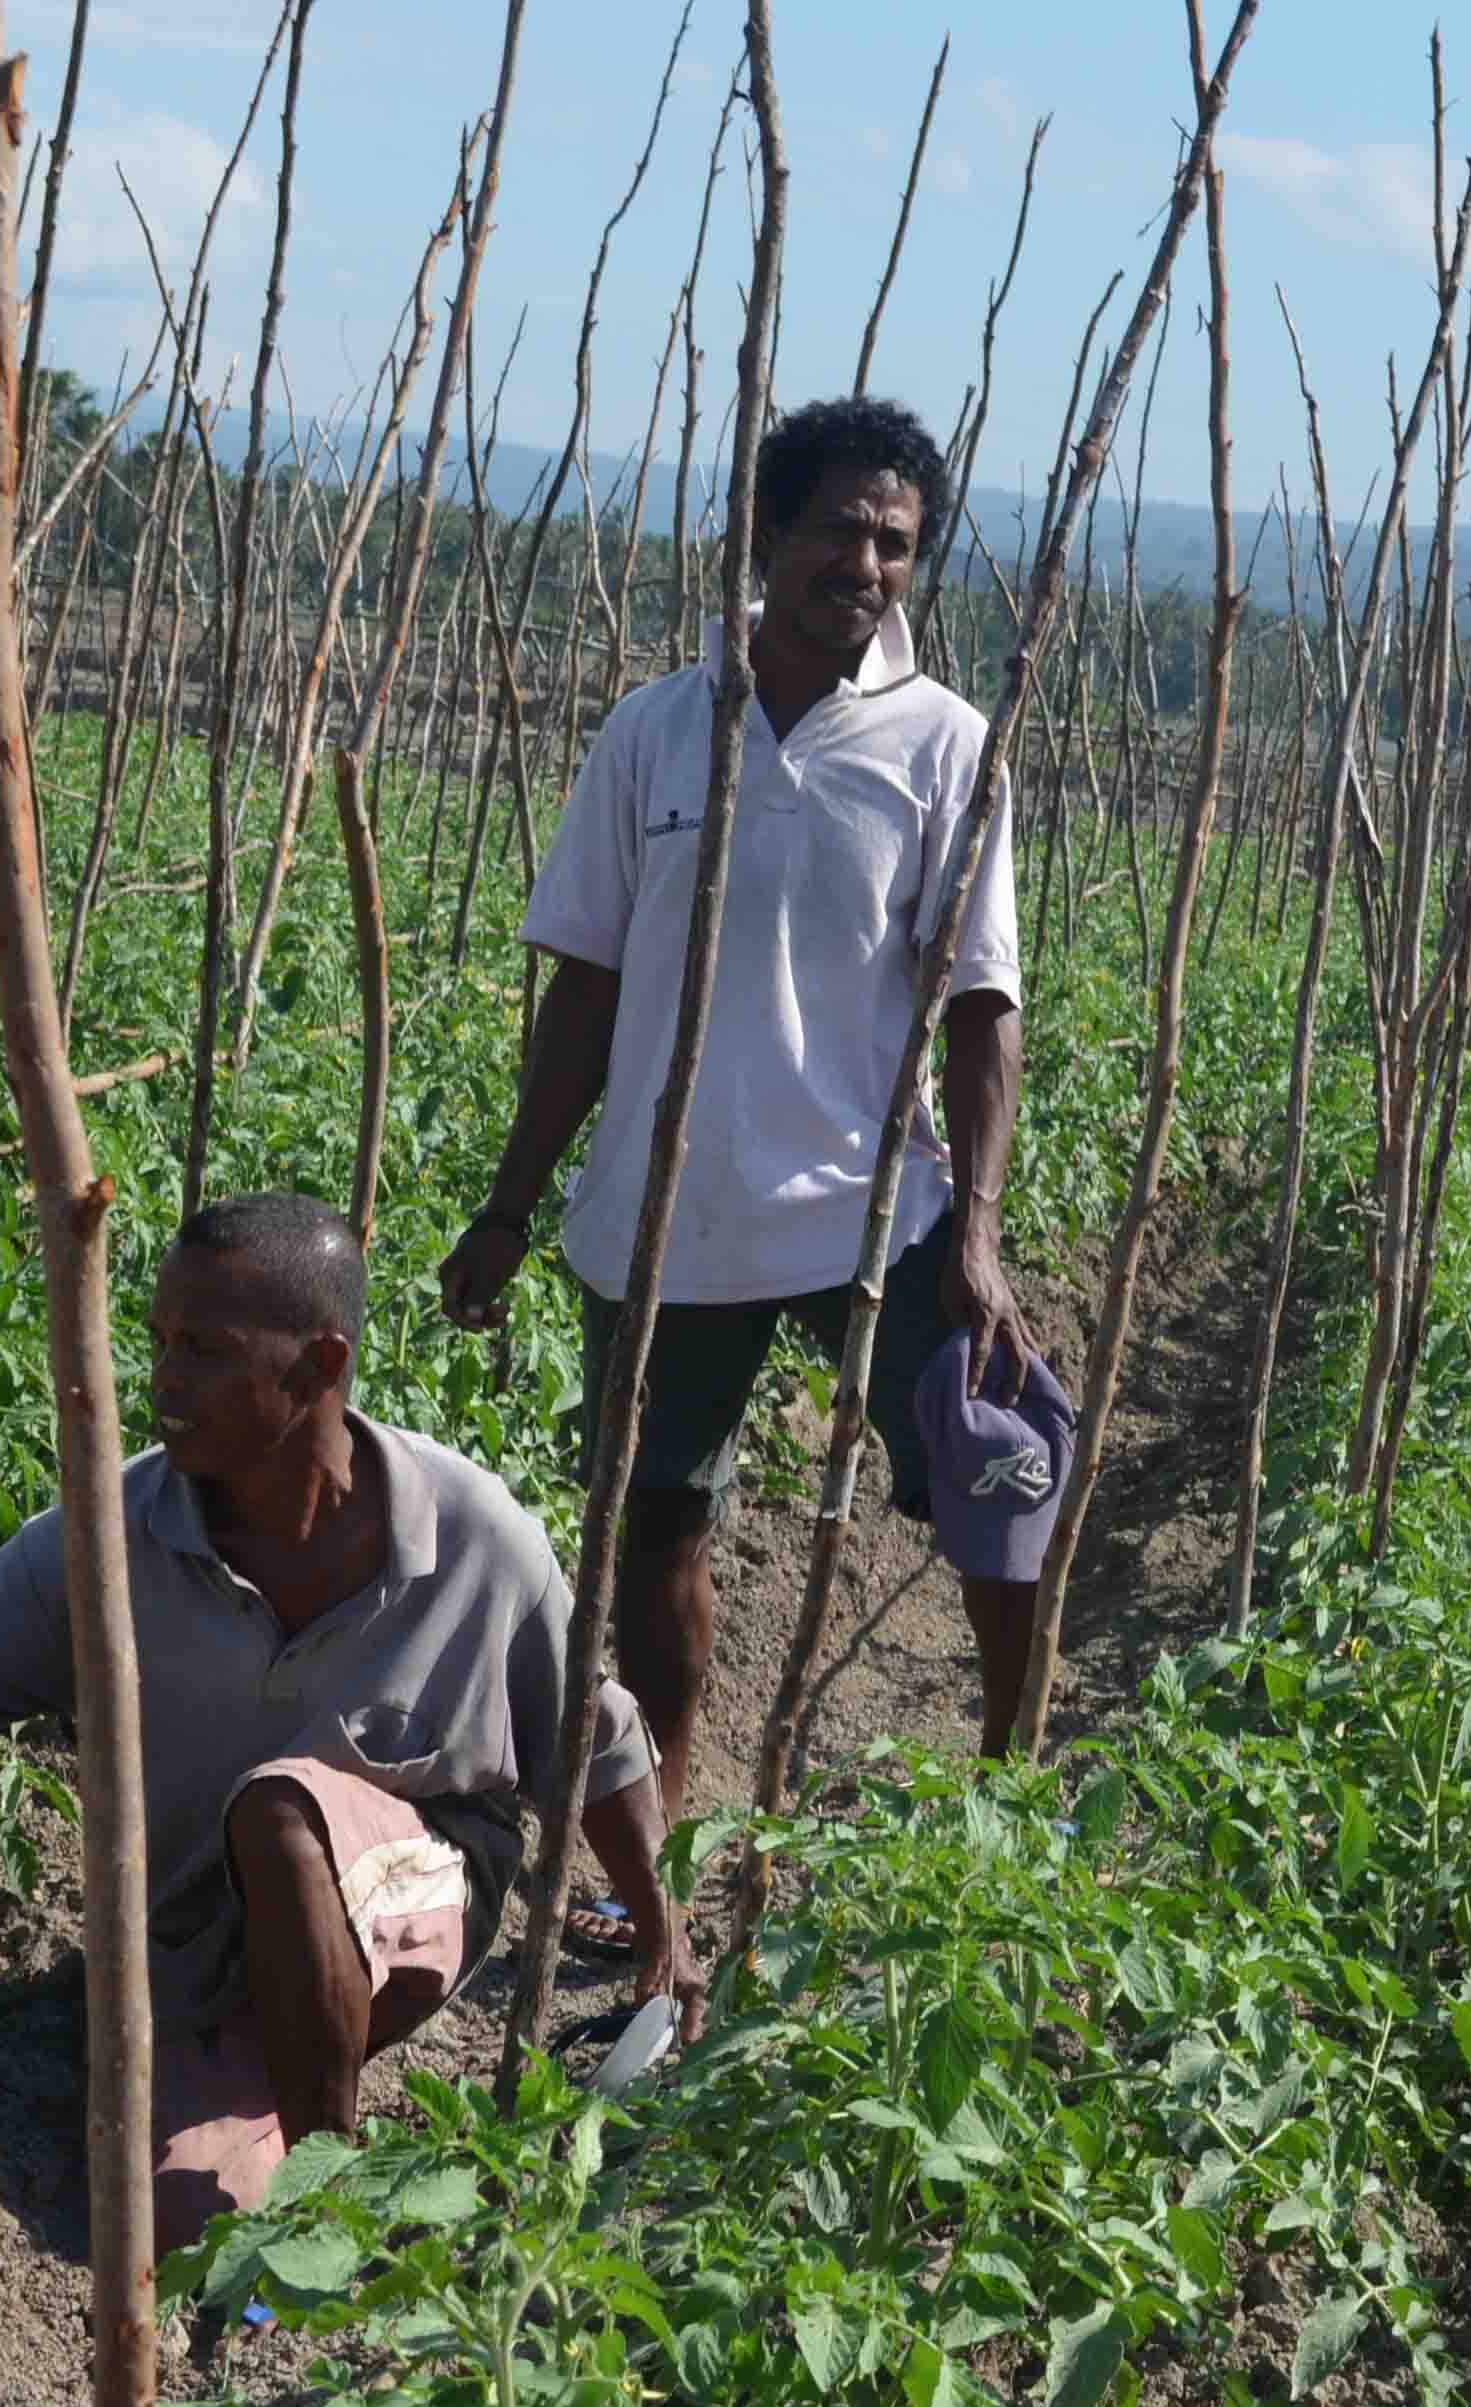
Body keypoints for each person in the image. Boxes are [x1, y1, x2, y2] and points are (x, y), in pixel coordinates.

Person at [0, 1197, 693, 2262]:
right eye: (156, 1340)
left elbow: (589, 1740)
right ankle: (288, 2164)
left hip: (423, 1891)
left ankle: (332, 2178)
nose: (159, 1380)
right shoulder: (100, 1546)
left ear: (317, 1369)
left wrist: (662, 1938)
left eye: (204, 1351)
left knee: (283, 1808)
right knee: (185, 2228)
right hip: (200, 1953)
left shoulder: (471, 1536)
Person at [446, 391, 1043, 1853]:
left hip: (873, 1203)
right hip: (671, 1209)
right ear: (766, 534)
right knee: (660, 1527)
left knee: (1003, 1467)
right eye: (840, 529)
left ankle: (1014, 1786)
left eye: (899, 545)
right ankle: (667, 1827)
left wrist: (974, 1230)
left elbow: (982, 1005)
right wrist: (511, 1207)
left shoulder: (945, 746)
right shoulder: (659, 730)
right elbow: (583, 989)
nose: (870, 566)